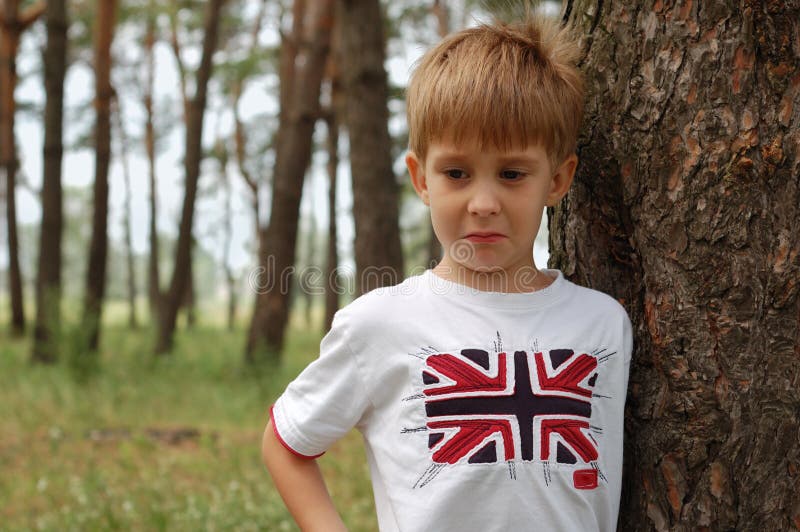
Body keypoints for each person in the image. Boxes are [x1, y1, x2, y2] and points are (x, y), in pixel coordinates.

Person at [262, 14, 632, 532]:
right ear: (421, 179)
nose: (483, 203)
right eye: (457, 173)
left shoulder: (604, 324)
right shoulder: (380, 323)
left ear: (558, 179)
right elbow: (286, 440)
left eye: (512, 174)